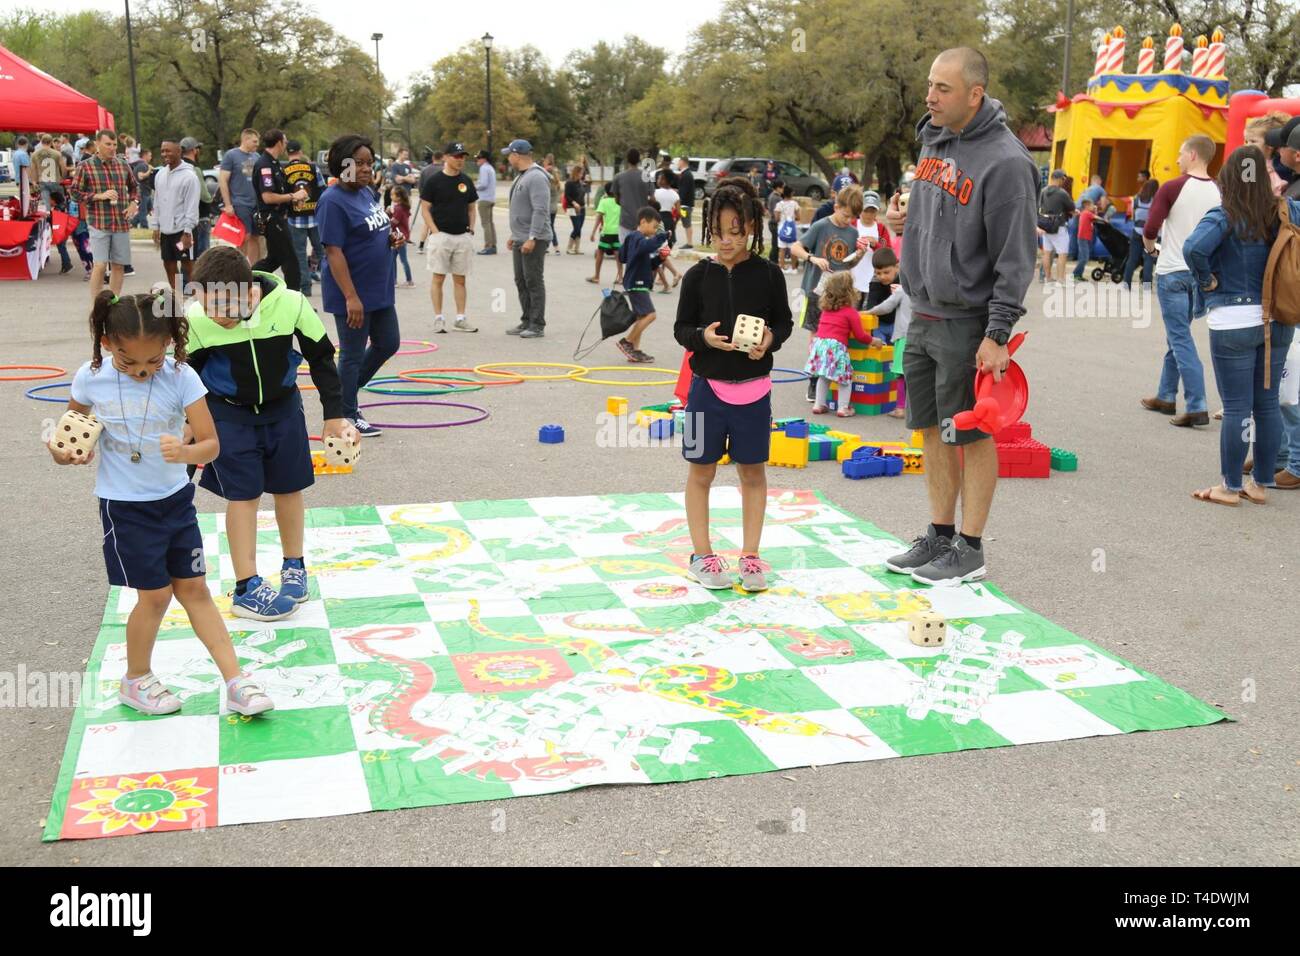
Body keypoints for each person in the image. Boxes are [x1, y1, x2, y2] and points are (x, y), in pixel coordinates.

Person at [52, 290, 273, 716]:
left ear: (170, 343)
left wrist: (187, 453)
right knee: (154, 597)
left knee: (195, 589)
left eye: (152, 362)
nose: (140, 371)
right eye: (127, 361)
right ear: (106, 343)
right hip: (126, 508)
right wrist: (67, 452)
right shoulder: (90, 377)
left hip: (176, 502)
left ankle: (235, 680)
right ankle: (136, 679)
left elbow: (210, 444)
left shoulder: (181, 376)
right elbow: (68, 436)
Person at [882, 46, 1038, 586]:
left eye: (943, 89)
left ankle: (970, 548)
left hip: (968, 323)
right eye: (930, 85)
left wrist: (998, 333)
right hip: (921, 313)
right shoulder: (934, 137)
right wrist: (903, 222)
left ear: (975, 94)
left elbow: (1016, 259)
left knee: (968, 433)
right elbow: (937, 218)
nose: (930, 96)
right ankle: (939, 535)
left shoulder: (1007, 163)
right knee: (929, 430)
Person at [185, 246, 354, 619]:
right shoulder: (197, 319)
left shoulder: (290, 304)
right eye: (208, 305)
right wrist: (188, 424)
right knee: (243, 496)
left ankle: (294, 565)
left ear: (249, 293)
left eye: (224, 307)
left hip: (283, 412)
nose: (216, 316)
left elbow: (322, 357)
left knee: (288, 488)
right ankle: (247, 586)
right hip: (228, 417)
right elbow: (184, 376)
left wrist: (334, 415)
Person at [673, 177, 792, 592]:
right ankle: (702, 554)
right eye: (720, 233)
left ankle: (751, 557)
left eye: (736, 233)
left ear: (752, 229)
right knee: (700, 471)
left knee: (752, 473)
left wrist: (770, 340)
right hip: (706, 391)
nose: (727, 241)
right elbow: (681, 328)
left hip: (755, 391)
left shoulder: (769, 275)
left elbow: (784, 322)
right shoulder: (696, 276)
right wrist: (702, 337)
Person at [1183, 146, 1300, 504]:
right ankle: (1260, 485)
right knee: (1266, 405)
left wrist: (1206, 282)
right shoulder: (1287, 210)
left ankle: (1230, 487)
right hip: (1279, 319)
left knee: (1236, 408)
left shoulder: (1224, 214)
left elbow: (1193, 249)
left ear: (1230, 177)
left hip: (1233, 321)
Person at [317, 133, 402, 437]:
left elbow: (375, 228)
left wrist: (391, 237)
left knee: (389, 342)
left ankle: (343, 394)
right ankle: (347, 414)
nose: (367, 168)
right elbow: (333, 251)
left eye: (370, 162)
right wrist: (351, 297)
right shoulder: (332, 201)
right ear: (343, 165)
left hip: (379, 289)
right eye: (360, 163)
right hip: (353, 293)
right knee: (352, 355)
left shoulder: (366, 193)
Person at [1141, 134, 1222, 427]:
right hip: (1199, 274)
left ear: (1192, 155)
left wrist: (1150, 250)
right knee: (1179, 334)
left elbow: (1150, 227)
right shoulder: (1219, 191)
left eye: (1179, 153)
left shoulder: (1173, 187)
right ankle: (1165, 394)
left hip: (1172, 270)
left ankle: (1197, 403)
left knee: (1180, 337)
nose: (1176, 159)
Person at [792, 183, 864, 402]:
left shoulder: (853, 232)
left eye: (852, 217)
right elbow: (796, 247)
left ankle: (833, 382)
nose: (848, 220)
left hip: (841, 295)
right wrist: (813, 258)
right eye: (846, 214)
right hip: (816, 291)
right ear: (837, 206)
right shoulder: (821, 226)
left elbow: (847, 264)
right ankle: (814, 382)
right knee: (818, 337)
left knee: (837, 338)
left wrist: (859, 255)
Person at [72, 128, 139, 301]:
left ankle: (114, 304)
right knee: (100, 265)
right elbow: (74, 193)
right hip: (99, 222)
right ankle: (97, 306)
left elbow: (134, 187)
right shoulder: (85, 166)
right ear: (97, 144)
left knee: (118, 265)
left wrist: (134, 203)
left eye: (114, 144)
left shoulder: (123, 164)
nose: (112, 148)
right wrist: (98, 196)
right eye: (108, 144)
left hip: (121, 223)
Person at [419, 141, 479, 333]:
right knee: (438, 278)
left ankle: (460, 318)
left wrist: (471, 229)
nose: (460, 160)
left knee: (460, 279)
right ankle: (439, 318)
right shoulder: (434, 181)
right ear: (445, 157)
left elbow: (472, 207)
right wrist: (434, 231)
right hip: (441, 236)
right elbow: (425, 208)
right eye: (456, 156)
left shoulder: (466, 181)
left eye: (463, 156)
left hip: (462, 236)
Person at [806, 270, 877, 416]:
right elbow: (860, 335)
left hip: (820, 345)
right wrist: (873, 341)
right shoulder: (850, 312)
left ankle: (819, 405)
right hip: (836, 347)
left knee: (823, 376)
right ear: (849, 292)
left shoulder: (826, 310)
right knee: (844, 379)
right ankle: (843, 408)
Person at [503, 139, 551, 338]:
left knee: (533, 280)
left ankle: (537, 324)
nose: (507, 158)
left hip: (535, 238)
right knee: (521, 280)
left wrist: (532, 237)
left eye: (509, 154)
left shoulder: (537, 177)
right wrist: (514, 235)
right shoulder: (522, 176)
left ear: (517, 155)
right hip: (520, 237)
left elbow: (540, 210)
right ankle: (526, 320)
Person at [250, 129, 307, 290]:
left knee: (275, 259)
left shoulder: (274, 164)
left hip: (278, 217)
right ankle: (294, 300)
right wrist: (293, 196)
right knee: (291, 261)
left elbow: (281, 191)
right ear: (279, 142)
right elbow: (268, 197)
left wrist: (295, 199)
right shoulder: (264, 165)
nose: (286, 145)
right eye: (285, 141)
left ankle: (245, 280)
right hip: (272, 218)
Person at [615, 206, 670, 364]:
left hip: (636, 282)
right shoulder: (637, 238)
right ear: (643, 222)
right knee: (651, 315)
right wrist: (662, 237)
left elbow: (626, 257)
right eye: (654, 226)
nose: (655, 230)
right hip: (637, 283)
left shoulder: (634, 239)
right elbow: (643, 248)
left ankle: (635, 351)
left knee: (641, 317)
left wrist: (660, 258)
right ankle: (627, 342)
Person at [150, 138, 200, 299]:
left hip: (183, 232)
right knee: (169, 264)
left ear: (179, 152)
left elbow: (191, 206)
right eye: (163, 151)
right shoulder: (160, 174)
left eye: (169, 151)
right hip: (166, 231)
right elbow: (156, 201)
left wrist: (187, 232)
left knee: (187, 265)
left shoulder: (189, 176)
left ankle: (194, 302)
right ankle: (177, 298)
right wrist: (156, 226)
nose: (165, 154)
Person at [282, 140, 328, 298]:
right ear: (300, 152)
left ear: (287, 153)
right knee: (324, 252)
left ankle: (306, 288)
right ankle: (330, 284)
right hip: (315, 218)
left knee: (300, 255)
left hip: (295, 220)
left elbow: (283, 195)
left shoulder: (284, 170)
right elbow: (323, 190)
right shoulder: (313, 168)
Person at [218, 128, 262, 262]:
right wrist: (228, 204)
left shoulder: (257, 157)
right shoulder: (231, 155)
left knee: (256, 237)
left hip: (256, 204)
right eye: (254, 141)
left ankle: (253, 270)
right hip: (240, 203)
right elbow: (222, 180)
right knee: (244, 237)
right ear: (246, 139)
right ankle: (240, 267)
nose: (257, 144)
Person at [1037, 168, 1075, 285]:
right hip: (1058, 226)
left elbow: (1039, 206)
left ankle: (1048, 278)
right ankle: (1060, 279)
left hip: (1044, 225)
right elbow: (1071, 208)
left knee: (1046, 253)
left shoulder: (1043, 191)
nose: (1064, 182)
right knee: (1062, 254)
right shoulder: (1062, 193)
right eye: (1063, 179)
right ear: (1060, 179)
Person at [179, 137, 214, 258]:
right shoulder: (194, 169)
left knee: (185, 256)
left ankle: (181, 278)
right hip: (200, 217)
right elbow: (204, 196)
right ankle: (198, 278)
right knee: (202, 256)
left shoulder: (177, 168)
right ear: (194, 150)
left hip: (182, 219)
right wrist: (212, 199)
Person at [1123, 171, 1158, 287]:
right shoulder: (1156, 201)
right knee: (1148, 260)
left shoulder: (1136, 199)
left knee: (1132, 259)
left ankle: (1126, 284)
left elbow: (1131, 214)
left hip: (1136, 231)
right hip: (1150, 234)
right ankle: (1147, 286)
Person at [610, 149, 652, 244]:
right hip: (643, 221)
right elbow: (652, 199)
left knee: (626, 251)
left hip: (625, 220)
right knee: (641, 250)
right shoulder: (647, 177)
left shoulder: (618, 177)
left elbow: (616, 199)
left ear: (627, 160)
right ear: (639, 160)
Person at [587, 183, 622, 285]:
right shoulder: (620, 202)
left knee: (600, 253)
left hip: (607, 232)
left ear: (606, 191)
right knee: (618, 254)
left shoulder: (604, 201)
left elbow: (599, 218)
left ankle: (597, 276)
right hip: (618, 232)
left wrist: (593, 232)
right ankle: (620, 277)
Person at [32, 133, 67, 211]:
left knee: (46, 205)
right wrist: (63, 178)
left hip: (43, 181)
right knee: (61, 204)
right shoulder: (57, 154)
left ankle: (49, 220)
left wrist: (34, 181)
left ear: (41, 141)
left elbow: (33, 170)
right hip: (55, 181)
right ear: (51, 142)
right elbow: (64, 168)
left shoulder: (35, 154)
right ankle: (59, 219)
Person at [389, 186, 414, 287]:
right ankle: (394, 280)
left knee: (403, 260)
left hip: (399, 237)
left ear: (398, 197)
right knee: (393, 259)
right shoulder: (404, 207)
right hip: (402, 236)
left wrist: (388, 215)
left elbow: (394, 222)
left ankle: (409, 280)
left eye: (392, 195)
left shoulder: (398, 208)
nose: (391, 196)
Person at [474, 149, 498, 254]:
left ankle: (488, 246)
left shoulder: (484, 168)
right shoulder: (490, 168)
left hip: (484, 199)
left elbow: (483, 184)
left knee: (486, 223)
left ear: (484, 159)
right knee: (490, 223)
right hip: (491, 198)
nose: (477, 160)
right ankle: (493, 244)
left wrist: (474, 187)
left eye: (478, 158)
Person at [774, 184, 800, 272]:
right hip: (792, 229)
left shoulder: (779, 205)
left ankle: (782, 267)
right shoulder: (795, 204)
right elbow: (798, 217)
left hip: (782, 228)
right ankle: (794, 268)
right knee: (793, 249)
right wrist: (792, 218)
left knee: (782, 249)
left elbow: (776, 218)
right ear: (791, 194)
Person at [653, 170, 680, 250]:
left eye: (659, 178)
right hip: (669, 218)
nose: (657, 180)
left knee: (656, 241)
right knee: (668, 242)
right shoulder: (675, 194)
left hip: (656, 217)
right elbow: (679, 212)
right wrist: (675, 223)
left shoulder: (655, 193)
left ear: (663, 180)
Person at [675, 157, 697, 248]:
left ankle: (690, 243)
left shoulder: (686, 175)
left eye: (679, 162)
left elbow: (683, 191)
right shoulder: (686, 174)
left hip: (685, 206)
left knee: (687, 223)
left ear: (683, 162)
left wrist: (678, 201)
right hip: (685, 205)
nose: (677, 163)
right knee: (682, 222)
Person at [564, 164, 586, 255]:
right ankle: (569, 248)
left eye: (582, 173)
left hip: (582, 208)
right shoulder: (569, 183)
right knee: (576, 227)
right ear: (576, 173)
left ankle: (577, 248)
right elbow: (566, 195)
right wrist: (574, 202)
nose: (582, 175)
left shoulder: (580, 183)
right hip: (572, 208)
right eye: (580, 173)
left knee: (579, 228)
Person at [130, 148, 154, 229]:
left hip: (147, 192)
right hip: (142, 192)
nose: (151, 157)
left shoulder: (144, 165)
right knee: (143, 211)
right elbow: (140, 177)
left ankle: (133, 222)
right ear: (145, 155)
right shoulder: (141, 165)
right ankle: (145, 227)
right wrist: (149, 170)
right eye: (150, 155)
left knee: (149, 209)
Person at [1073, 198, 1096, 280]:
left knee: (1082, 257)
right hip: (1083, 238)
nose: (1093, 207)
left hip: (1084, 238)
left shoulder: (1085, 213)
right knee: (1085, 258)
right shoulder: (1087, 213)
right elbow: (1097, 218)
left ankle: (1078, 275)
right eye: (1092, 205)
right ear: (1086, 206)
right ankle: (1075, 274)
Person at [765, 177, 786, 264]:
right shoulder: (776, 198)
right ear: (778, 188)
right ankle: (773, 261)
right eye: (782, 187)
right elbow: (776, 212)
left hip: (773, 222)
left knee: (776, 243)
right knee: (776, 244)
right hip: (775, 223)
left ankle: (773, 260)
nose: (783, 189)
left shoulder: (773, 196)